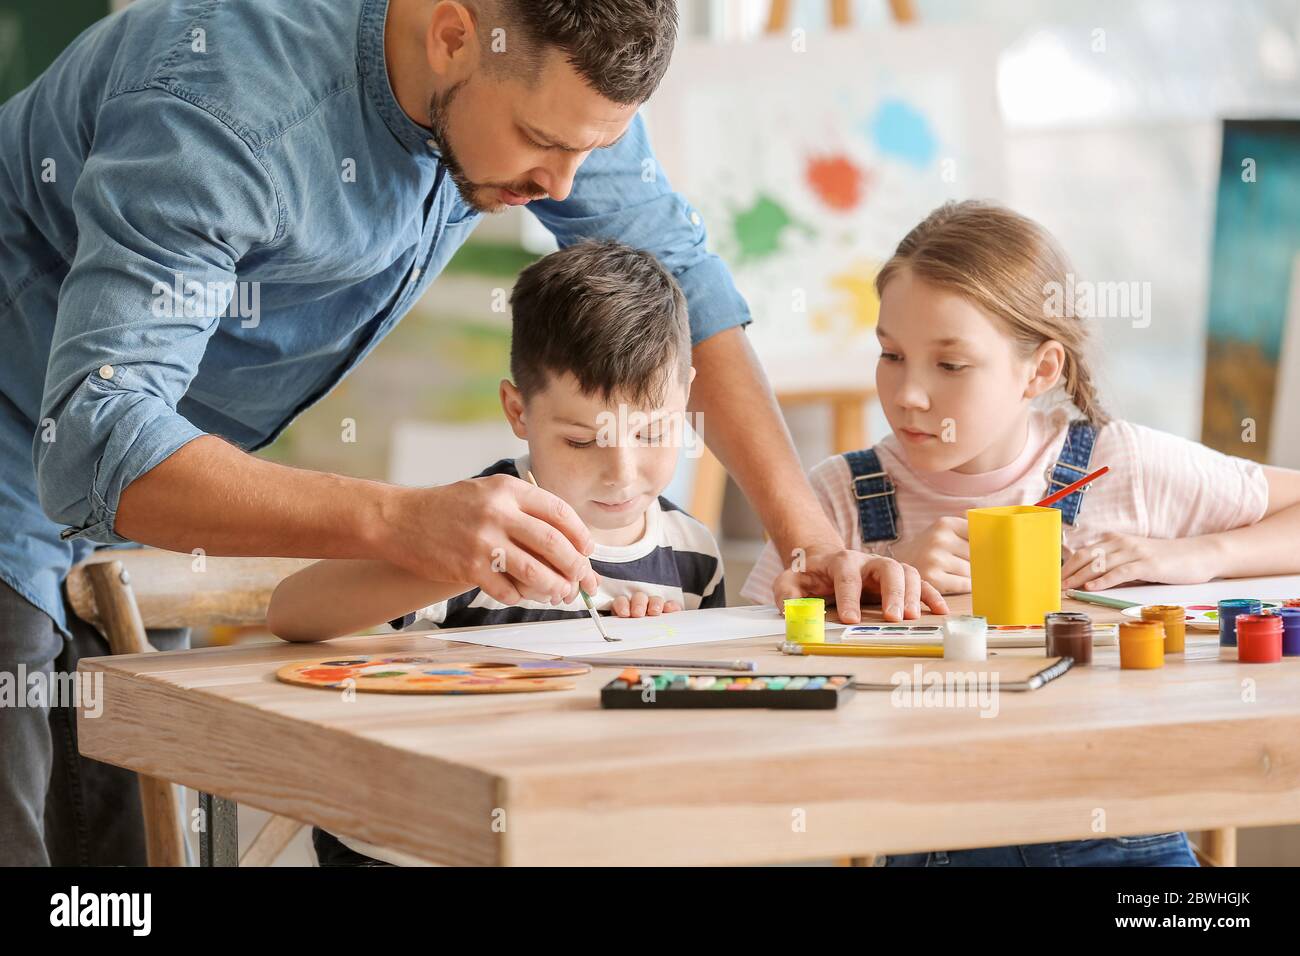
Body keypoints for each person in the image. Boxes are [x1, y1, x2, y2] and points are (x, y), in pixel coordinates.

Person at [744, 199, 1300, 866]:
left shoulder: (1124, 466)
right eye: (891, 355)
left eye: (949, 365)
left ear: (1039, 372)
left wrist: (1202, 555)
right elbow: (753, 659)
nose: (908, 393)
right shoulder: (838, 496)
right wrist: (872, 577)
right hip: (935, 840)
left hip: (1126, 836)